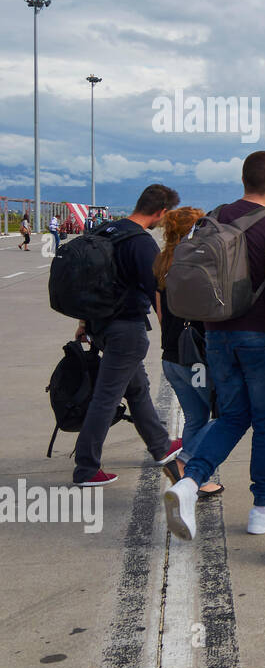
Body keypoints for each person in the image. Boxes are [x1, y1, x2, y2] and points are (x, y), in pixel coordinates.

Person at [164, 151, 265, 540]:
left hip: (216, 334)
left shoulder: (213, 217)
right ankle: (264, 508)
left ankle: (189, 483)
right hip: (263, 338)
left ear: (243, 180)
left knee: (232, 417)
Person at [70, 185, 182, 487]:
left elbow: (89, 283)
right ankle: (86, 468)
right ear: (161, 211)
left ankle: (160, 445)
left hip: (101, 325)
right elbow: (158, 291)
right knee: (106, 398)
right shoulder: (141, 243)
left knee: (137, 388)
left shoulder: (106, 231)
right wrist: (169, 334)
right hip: (126, 331)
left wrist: (84, 322)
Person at [153, 206, 222, 496]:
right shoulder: (196, 265)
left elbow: (161, 315)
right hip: (196, 360)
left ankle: (197, 480)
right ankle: (184, 463)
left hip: (172, 356)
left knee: (195, 418)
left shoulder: (162, 263)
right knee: (226, 416)